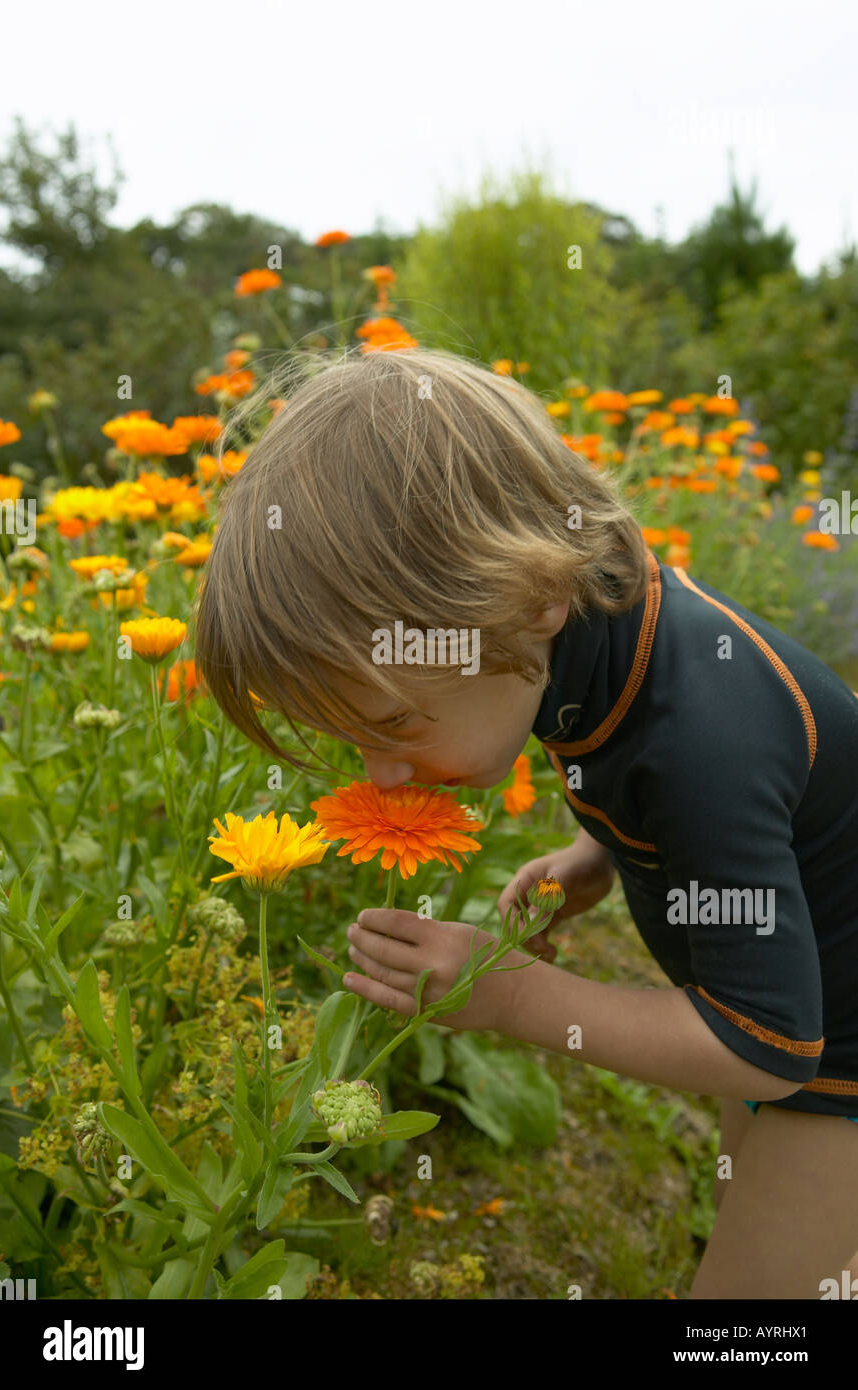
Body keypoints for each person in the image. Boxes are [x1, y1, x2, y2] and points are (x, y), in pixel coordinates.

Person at [194, 345, 858, 1299]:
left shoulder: (702, 738)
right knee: (776, 1228)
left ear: (529, 596)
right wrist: (597, 853)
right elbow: (725, 805)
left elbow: (764, 1044)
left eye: (388, 724)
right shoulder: (593, 636)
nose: (380, 773)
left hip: (830, 1054)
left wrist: (505, 996)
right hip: (781, 986)